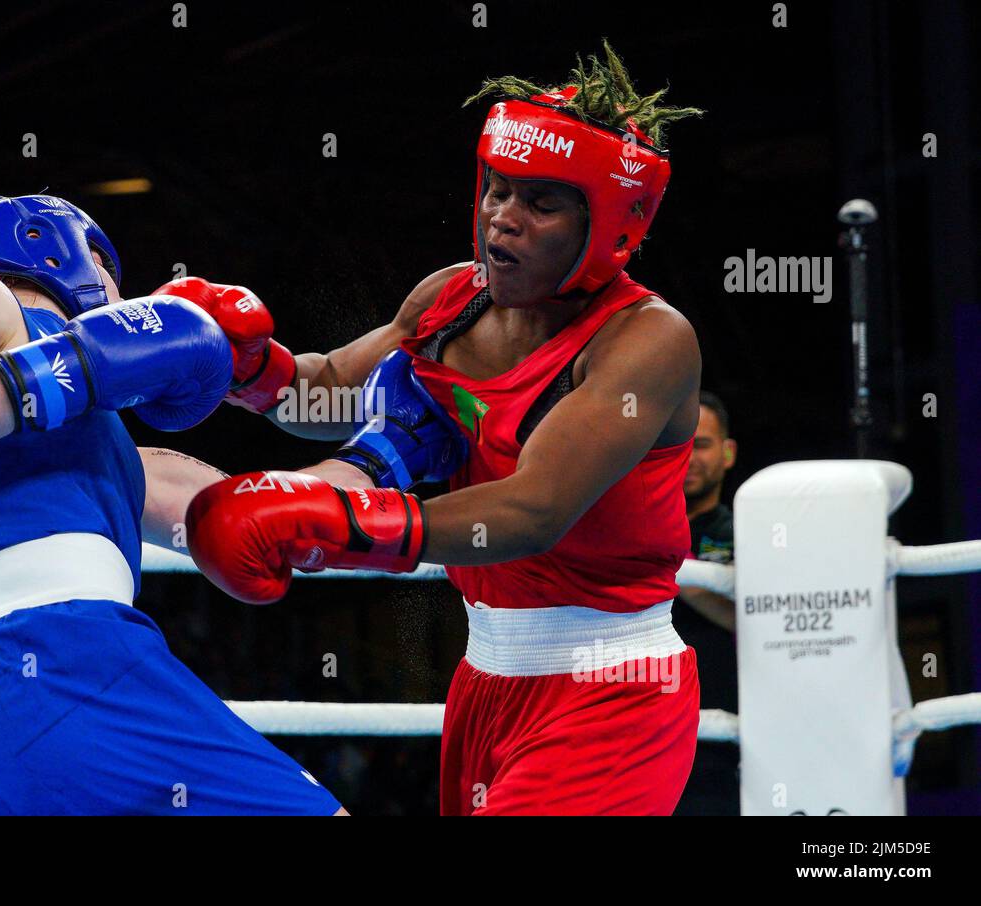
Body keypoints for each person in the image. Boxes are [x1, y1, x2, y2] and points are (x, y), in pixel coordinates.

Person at [180, 43, 707, 815]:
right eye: (496, 189)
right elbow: (324, 392)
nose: (503, 217)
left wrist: (348, 520)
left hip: (612, 688)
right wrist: (241, 367)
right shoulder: (451, 299)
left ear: (611, 226)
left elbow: (535, 510)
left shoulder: (647, 340)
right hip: (485, 677)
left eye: (541, 203)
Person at [0, 194, 343, 815]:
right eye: (108, 269)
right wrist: (84, 359)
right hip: (57, 660)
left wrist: (387, 449)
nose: (121, 293)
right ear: (50, 246)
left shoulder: (96, 452)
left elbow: (272, 518)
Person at [672, 390, 739, 815]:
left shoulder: (751, 531)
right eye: (679, 446)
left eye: (702, 444)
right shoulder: (632, 531)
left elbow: (758, 622)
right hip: (643, 729)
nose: (689, 457)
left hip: (721, 738)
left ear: (728, 453)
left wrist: (677, 574)